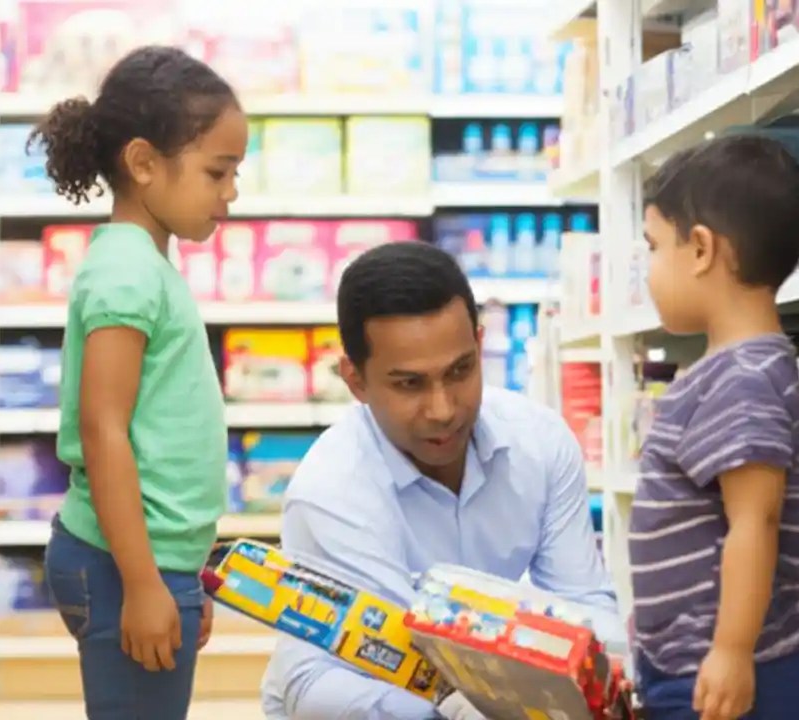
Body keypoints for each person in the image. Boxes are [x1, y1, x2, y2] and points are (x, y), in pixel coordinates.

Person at [260, 241, 625, 720]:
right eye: (409, 384)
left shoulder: (540, 443)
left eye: (460, 371)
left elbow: (585, 605)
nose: (444, 409)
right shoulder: (331, 490)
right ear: (356, 381)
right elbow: (390, 661)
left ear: (478, 342)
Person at [32, 46, 247, 720]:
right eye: (219, 171)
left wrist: (182, 572)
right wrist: (145, 584)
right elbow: (104, 429)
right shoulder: (127, 271)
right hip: (119, 562)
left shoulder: (145, 264)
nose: (231, 192)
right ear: (144, 162)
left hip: (145, 559)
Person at [629, 134, 799, 720]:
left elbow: (756, 518)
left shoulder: (742, 378)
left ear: (699, 249)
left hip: (731, 673)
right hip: (698, 661)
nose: (648, 270)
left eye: (653, 246)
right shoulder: (735, 368)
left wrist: (731, 649)